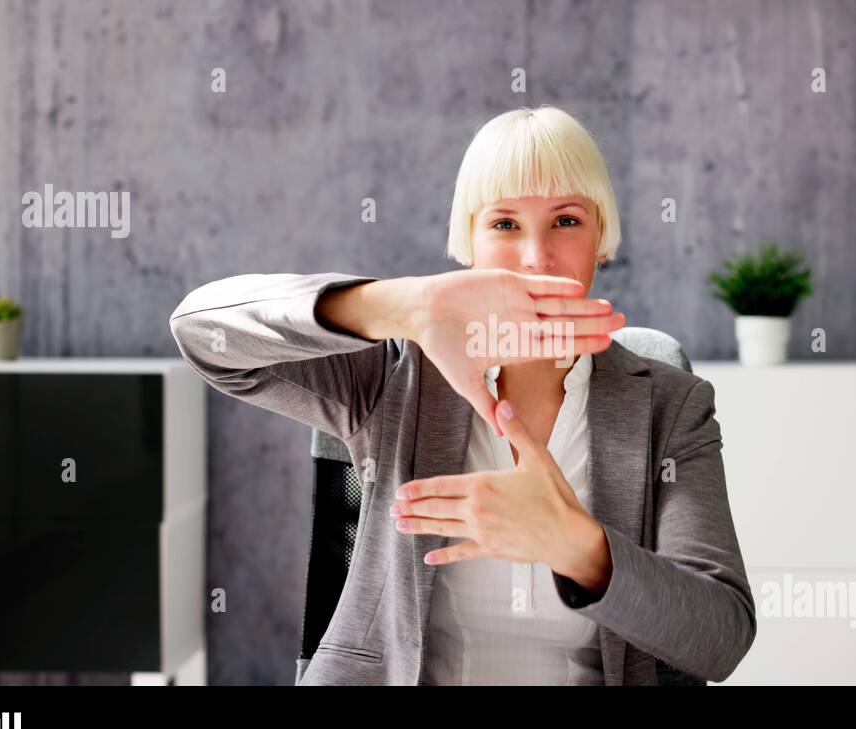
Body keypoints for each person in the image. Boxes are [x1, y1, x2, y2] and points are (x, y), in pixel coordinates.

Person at [169, 105, 757, 685]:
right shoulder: (391, 374)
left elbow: (721, 637)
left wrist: (578, 546)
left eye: (567, 221)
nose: (536, 257)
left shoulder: (671, 404)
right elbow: (201, 333)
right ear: (469, 244)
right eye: (505, 224)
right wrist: (411, 306)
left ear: (601, 237)